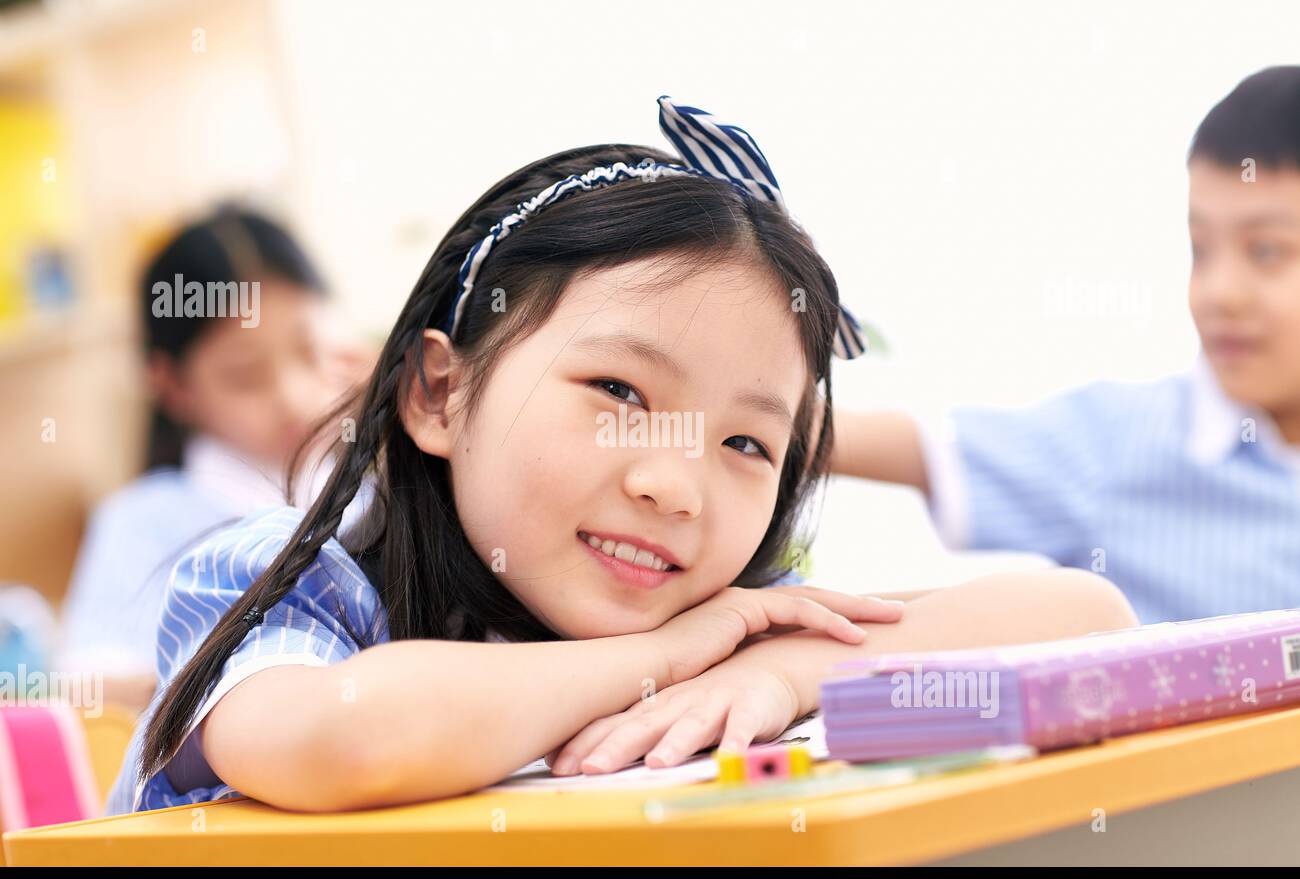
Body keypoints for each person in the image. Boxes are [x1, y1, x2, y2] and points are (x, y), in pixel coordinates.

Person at [105, 96, 1135, 816]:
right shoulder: (297, 575)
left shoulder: (720, 612)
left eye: (744, 440)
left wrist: (794, 661)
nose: (672, 480)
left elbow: (1086, 619)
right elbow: (341, 737)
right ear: (439, 390)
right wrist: (666, 660)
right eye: (619, 393)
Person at [833, 67, 1300, 624]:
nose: (1219, 292)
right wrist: (742, 423)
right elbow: (917, 447)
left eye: (1267, 251)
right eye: (1200, 249)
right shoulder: (1121, 443)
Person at [59, 207, 373, 711]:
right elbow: (88, 690)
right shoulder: (141, 520)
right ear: (172, 384)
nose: (292, 396)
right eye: (245, 376)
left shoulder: (376, 490)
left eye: (310, 350)